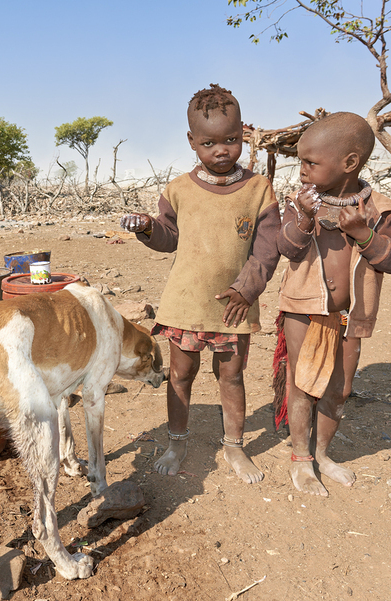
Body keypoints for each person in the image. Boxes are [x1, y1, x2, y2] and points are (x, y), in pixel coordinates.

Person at [120, 84, 280, 484]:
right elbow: (168, 237)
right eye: (209, 142)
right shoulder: (179, 189)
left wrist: (246, 289)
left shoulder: (259, 189)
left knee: (232, 376)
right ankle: (177, 443)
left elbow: (267, 250)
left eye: (230, 139)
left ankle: (234, 446)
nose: (221, 150)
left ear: (243, 132)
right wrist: (147, 228)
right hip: (186, 304)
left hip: (234, 306)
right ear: (192, 141)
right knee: (181, 375)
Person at [277, 111, 391, 497]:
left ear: (349, 163)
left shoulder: (380, 209)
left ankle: (322, 453)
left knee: (338, 388)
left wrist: (364, 235)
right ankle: (300, 459)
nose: (302, 170)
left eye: (311, 162)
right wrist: (304, 219)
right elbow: (285, 247)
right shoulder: (300, 203)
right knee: (302, 383)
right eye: (301, 161)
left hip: (350, 316)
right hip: (303, 308)